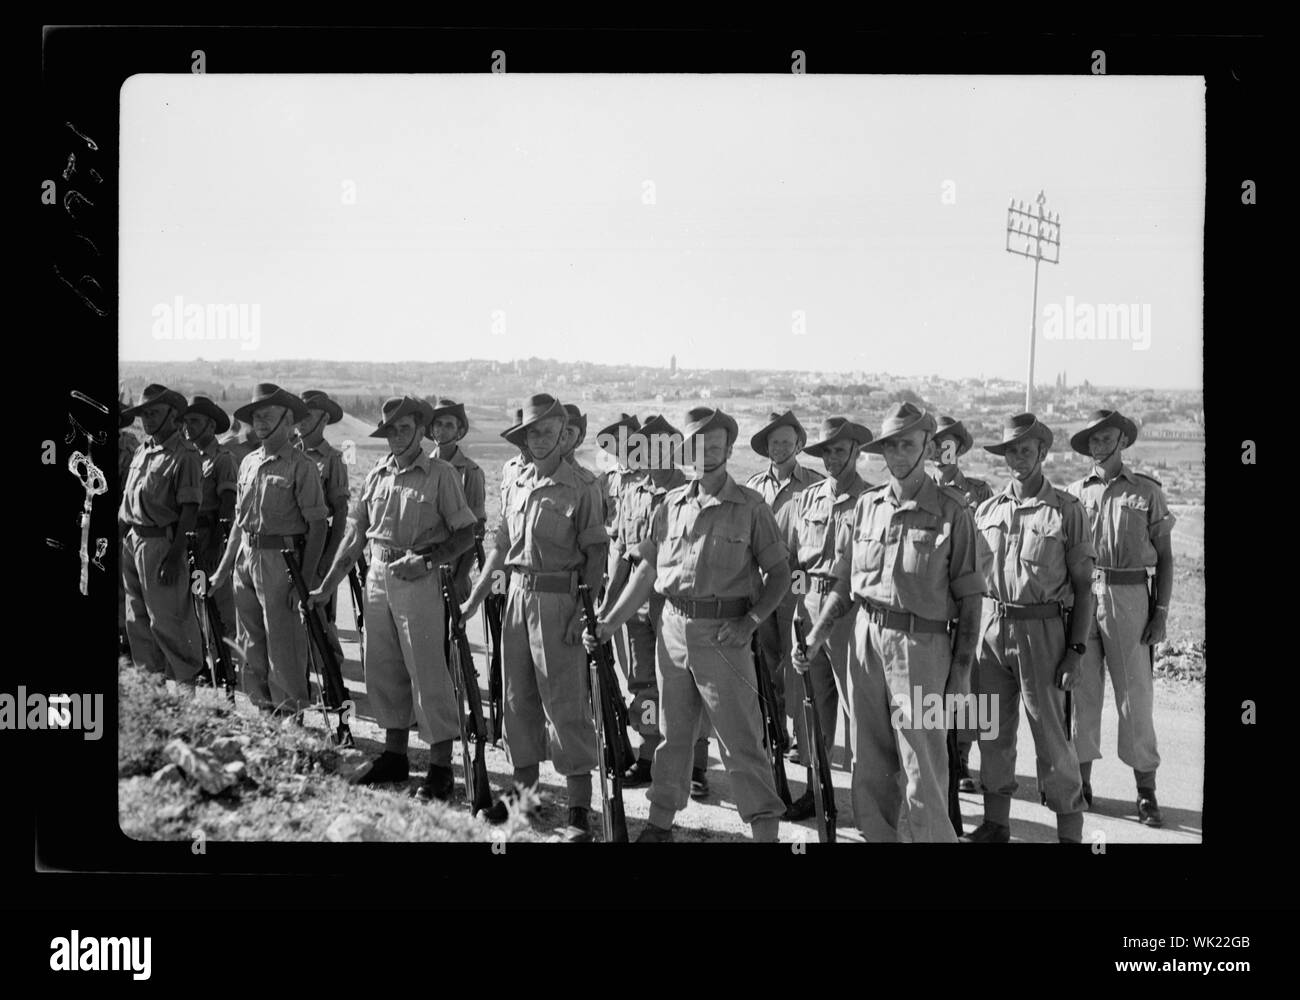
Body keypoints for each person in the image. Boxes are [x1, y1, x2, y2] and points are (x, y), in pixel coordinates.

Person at [586, 407, 791, 843]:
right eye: (697, 445)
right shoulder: (670, 505)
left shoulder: (751, 508)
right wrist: (608, 622)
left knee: (741, 742)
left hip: (724, 637)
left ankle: (766, 834)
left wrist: (751, 623)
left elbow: (780, 575)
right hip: (673, 630)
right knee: (671, 736)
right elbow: (646, 573)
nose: (705, 452)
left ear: (729, 449)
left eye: (714, 444)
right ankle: (660, 825)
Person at [794, 403, 983, 842]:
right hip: (865, 641)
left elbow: (970, 601)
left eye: (908, 443)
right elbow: (844, 581)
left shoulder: (954, 512)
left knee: (924, 770)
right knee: (870, 767)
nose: (898, 453)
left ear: (928, 447)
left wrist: (960, 673)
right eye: (891, 445)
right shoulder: (868, 506)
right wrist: (816, 634)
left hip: (922, 648)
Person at [310, 396, 477, 801]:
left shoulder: (441, 475)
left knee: (426, 673)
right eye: (391, 430)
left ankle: (440, 769)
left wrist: (427, 559)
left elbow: (466, 534)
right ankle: (395, 755)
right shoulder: (377, 476)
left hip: (420, 580)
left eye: (405, 428)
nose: (397, 437)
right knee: (383, 669)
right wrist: (327, 586)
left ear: (421, 430)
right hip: (378, 577)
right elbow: (354, 537)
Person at [461, 395, 609, 842]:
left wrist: (585, 615)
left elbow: (597, 555)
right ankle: (524, 800)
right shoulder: (513, 477)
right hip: (518, 600)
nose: (538, 440)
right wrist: (474, 597)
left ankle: (579, 810)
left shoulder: (583, 485)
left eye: (547, 431)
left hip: (561, 601)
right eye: (531, 433)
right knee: (516, 701)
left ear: (564, 435)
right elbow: (502, 543)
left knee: (565, 704)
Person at [961, 413, 1096, 844]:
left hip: (1045, 633)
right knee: (992, 733)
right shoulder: (986, 511)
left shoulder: (1067, 510)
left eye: (1025, 449)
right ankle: (996, 823)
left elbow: (1084, 588)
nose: (1017, 458)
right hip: (992, 630)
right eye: (1010, 451)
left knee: (1053, 738)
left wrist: (1076, 651)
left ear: (1042, 452)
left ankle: (1069, 833)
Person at [1064, 409, 1174, 827]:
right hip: (1084, 596)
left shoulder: (1146, 492)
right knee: (1082, 693)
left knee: (1135, 697)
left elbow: (1164, 557)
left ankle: (1146, 793)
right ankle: (1081, 783)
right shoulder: (1074, 494)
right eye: (1091, 438)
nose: (1097, 444)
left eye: (1105, 437)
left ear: (1121, 441)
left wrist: (1160, 613)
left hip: (1130, 597)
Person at [599, 414, 711, 797]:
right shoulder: (632, 492)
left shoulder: (690, 493)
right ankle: (648, 756)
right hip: (638, 608)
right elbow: (622, 555)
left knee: (687, 686)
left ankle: (696, 766)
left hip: (675, 607)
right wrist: (609, 606)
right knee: (643, 681)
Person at [209, 384, 329, 715]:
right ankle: (264, 717)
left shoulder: (301, 466)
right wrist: (222, 571)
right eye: (255, 416)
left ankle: (289, 724)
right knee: (250, 645)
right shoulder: (247, 462)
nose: (260, 421)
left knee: (283, 646)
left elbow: (318, 526)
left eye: (268, 415)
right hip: (246, 559)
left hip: (282, 563)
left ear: (288, 419)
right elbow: (239, 521)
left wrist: (302, 582)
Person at [777, 416, 873, 822]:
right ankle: (817, 792)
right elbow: (795, 561)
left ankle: (867, 801)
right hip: (808, 609)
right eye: (826, 451)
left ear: (856, 451)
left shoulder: (871, 499)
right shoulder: (808, 498)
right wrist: (801, 605)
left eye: (839, 450)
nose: (832, 458)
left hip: (851, 613)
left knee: (859, 713)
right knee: (810, 708)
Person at [746, 410, 824, 763]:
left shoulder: (815, 485)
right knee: (765, 660)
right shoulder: (753, 488)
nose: (779, 448)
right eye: (773, 442)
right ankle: (774, 730)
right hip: (763, 586)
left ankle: (802, 740)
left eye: (786, 441)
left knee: (795, 666)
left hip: (798, 585)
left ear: (799, 444)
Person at [118, 384, 205, 684]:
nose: (147, 420)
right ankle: (153, 693)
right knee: (138, 622)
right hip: (133, 542)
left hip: (161, 545)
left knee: (169, 623)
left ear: (172, 414)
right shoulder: (144, 450)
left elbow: (190, 510)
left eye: (153, 413)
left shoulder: (185, 454)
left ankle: (184, 693)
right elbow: (128, 500)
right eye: (143, 414)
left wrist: (174, 556)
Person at [928, 415, 994, 793]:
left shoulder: (979, 494)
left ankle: (964, 756)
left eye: (949, 444)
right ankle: (942, 758)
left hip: (968, 599)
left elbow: (986, 554)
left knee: (969, 683)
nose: (942, 451)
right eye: (936, 445)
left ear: (960, 449)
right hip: (935, 605)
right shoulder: (919, 491)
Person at [296, 390, 351, 664]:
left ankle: (332, 676)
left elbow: (340, 514)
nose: (301, 421)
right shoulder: (290, 454)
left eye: (309, 415)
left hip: (318, 547)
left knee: (318, 616)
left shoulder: (333, 459)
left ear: (324, 418)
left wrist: (327, 561)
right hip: (291, 549)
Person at [180, 395, 238, 643]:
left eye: (194, 421)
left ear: (211, 425)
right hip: (192, 541)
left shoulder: (222, 459)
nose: (188, 427)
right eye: (185, 421)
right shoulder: (189, 457)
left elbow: (227, 506)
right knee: (198, 596)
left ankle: (230, 658)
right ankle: (207, 651)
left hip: (211, 541)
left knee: (220, 601)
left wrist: (219, 544)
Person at [425, 397, 487, 603]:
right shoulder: (423, 468)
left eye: (449, 425)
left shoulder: (470, 472)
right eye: (438, 424)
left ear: (459, 432)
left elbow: (476, 529)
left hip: (452, 569)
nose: (442, 430)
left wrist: (461, 577)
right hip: (424, 567)